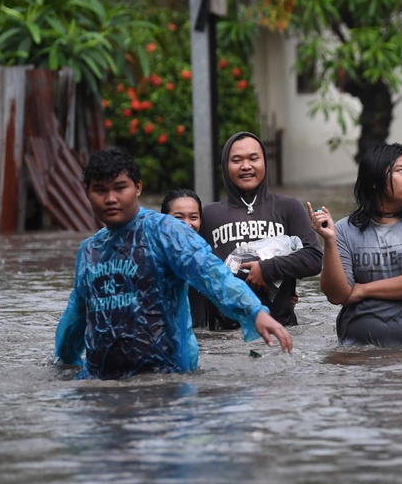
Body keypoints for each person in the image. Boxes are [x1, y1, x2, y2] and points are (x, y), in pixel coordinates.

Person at [54, 147, 292, 380]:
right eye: (100, 190)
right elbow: (76, 314)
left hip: (166, 378)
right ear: (87, 192)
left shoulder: (167, 232)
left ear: (137, 188)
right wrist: (63, 361)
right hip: (101, 381)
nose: (110, 199)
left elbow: (212, 274)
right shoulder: (90, 250)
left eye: (119, 188)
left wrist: (254, 311)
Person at [306, 143, 402, 350]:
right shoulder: (344, 229)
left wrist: (362, 290)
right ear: (374, 181)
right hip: (357, 350)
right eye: (401, 171)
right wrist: (329, 241)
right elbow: (337, 296)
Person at [200, 132, 323, 328]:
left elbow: (314, 258)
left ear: (264, 162)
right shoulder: (207, 215)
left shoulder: (288, 208)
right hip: (227, 332)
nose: (246, 166)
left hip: (281, 328)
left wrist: (267, 269)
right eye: (237, 160)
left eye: (253, 158)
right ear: (225, 166)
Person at [161, 188, 210, 327]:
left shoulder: (207, 261)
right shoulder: (153, 260)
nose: (187, 224)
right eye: (178, 217)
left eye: (193, 217)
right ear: (163, 221)